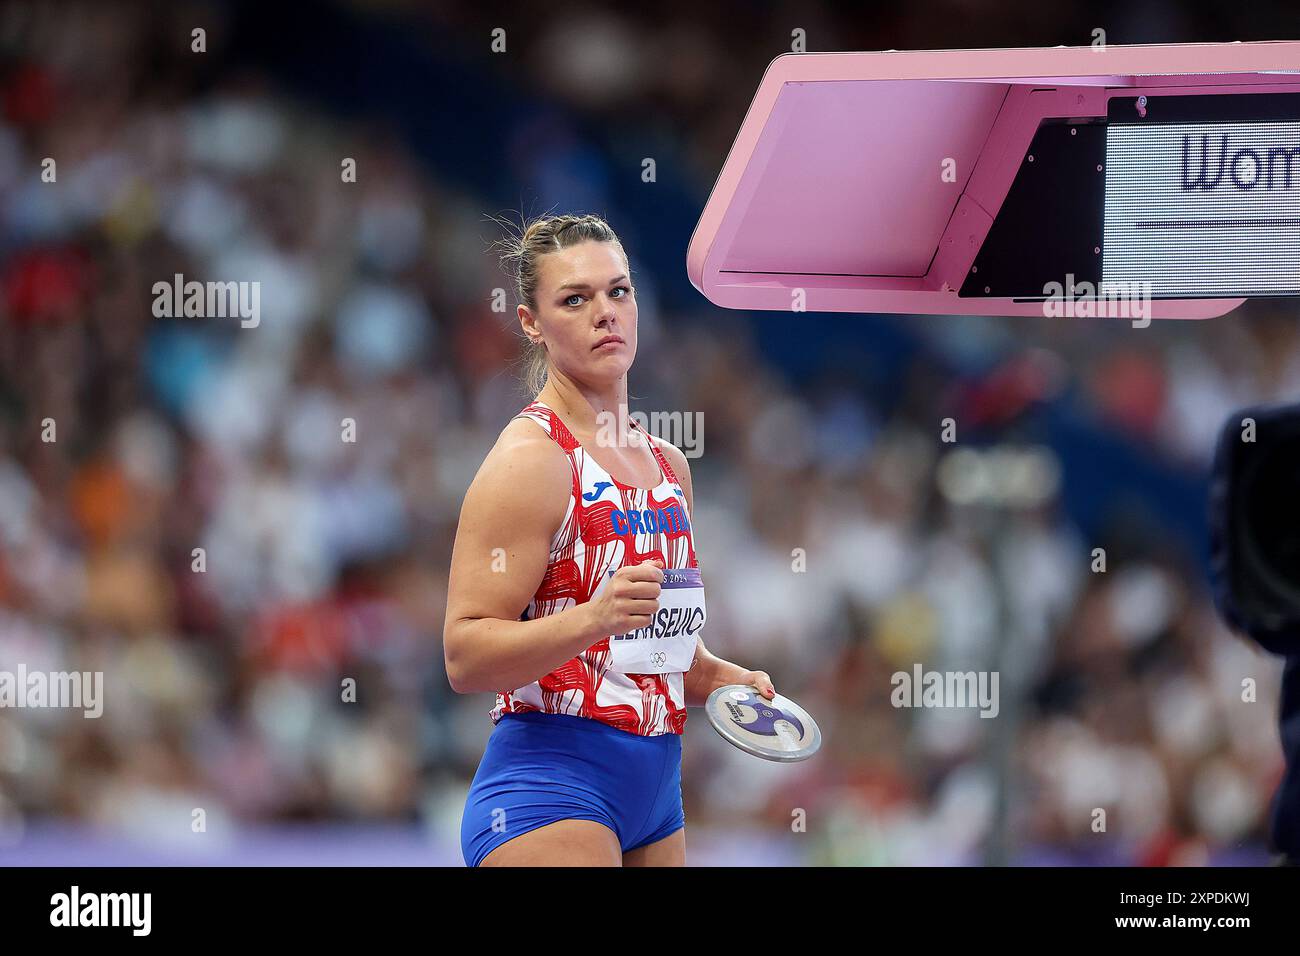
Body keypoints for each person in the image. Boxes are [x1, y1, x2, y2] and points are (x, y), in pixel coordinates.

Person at [445, 213, 775, 867]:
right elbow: (465, 655)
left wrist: (720, 677)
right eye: (575, 299)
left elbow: (651, 650)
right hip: (550, 788)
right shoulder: (531, 461)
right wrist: (593, 617)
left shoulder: (665, 465)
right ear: (531, 323)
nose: (605, 313)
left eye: (618, 291)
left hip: (656, 794)